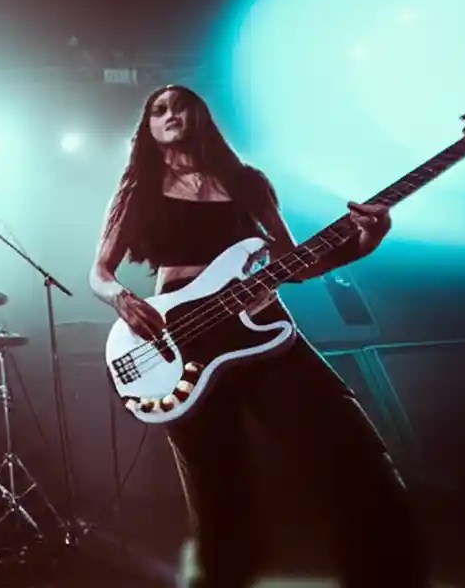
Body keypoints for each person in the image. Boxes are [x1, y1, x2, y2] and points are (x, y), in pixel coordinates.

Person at [88, 85, 430, 587]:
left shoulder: (248, 183)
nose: (170, 114)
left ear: (201, 115)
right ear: (148, 128)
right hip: (179, 337)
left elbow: (296, 262)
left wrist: (365, 240)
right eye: (158, 110)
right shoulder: (139, 189)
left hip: (262, 326)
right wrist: (121, 298)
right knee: (218, 493)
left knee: (351, 451)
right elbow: (100, 272)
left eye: (180, 105)